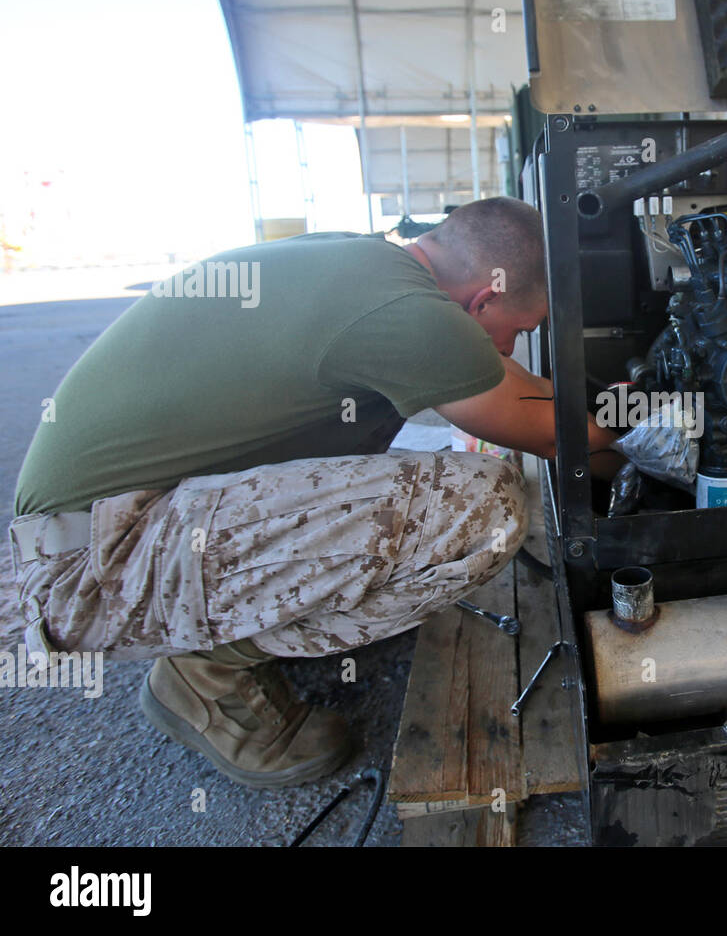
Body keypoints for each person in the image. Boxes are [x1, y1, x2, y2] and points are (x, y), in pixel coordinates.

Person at [9, 196, 620, 788]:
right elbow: (552, 433)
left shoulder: (371, 266)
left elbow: (505, 381)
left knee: (409, 476)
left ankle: (236, 621)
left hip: (98, 524)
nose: (513, 347)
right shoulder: (408, 314)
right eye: (518, 329)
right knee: (483, 506)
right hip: (88, 568)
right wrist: (645, 417)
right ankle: (207, 675)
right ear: (484, 296)